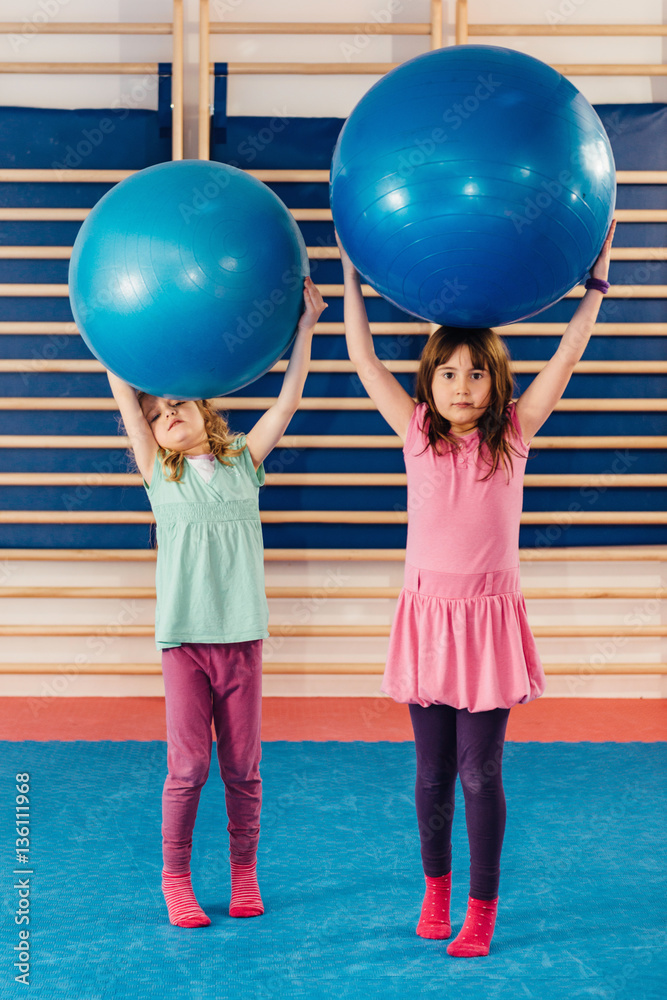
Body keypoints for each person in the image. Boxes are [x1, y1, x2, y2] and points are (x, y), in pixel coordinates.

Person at [338, 223, 615, 957]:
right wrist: (352, 275)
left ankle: (482, 906)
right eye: (448, 373)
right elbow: (361, 357)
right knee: (429, 775)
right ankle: (434, 889)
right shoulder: (415, 435)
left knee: (477, 773)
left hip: (485, 625)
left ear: (497, 384)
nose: (462, 386)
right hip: (429, 619)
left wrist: (594, 287)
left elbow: (567, 354)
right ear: (428, 382)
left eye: (477, 373)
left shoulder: (513, 435)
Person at [107, 276, 326, 928]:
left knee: (242, 767)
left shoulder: (242, 466)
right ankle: (175, 879)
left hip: (241, 639)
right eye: (157, 413)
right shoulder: (157, 477)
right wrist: (110, 328)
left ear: (207, 411)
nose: (167, 412)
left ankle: (242, 873)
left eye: (178, 403)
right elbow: (125, 394)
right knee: (189, 766)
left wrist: (305, 330)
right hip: (184, 642)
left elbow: (286, 405)